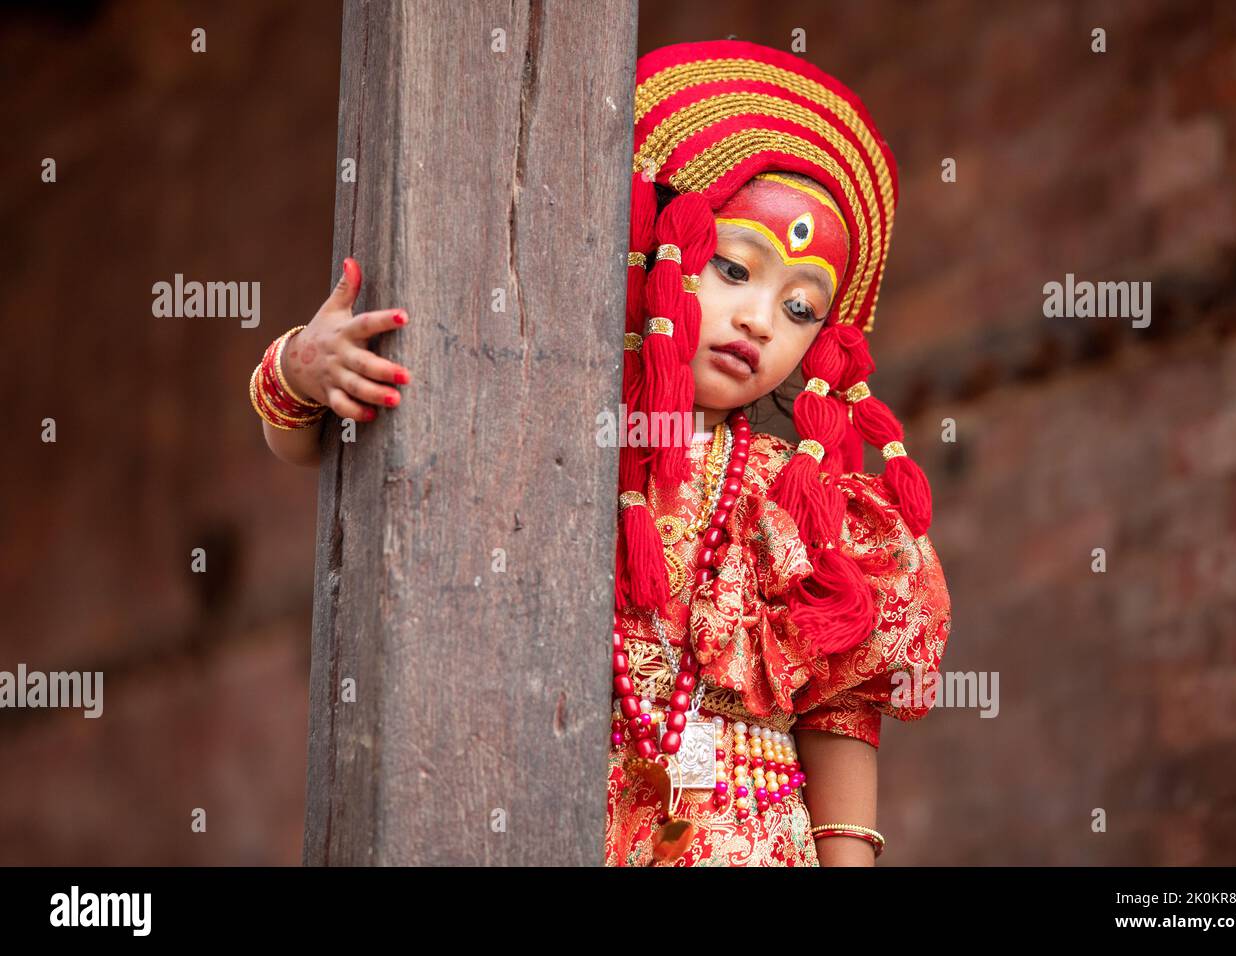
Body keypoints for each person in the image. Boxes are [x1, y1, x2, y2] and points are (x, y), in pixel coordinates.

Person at [248, 38, 952, 867]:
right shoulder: (534, 434)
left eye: (800, 310)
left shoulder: (795, 500)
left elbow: (838, 714)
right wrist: (301, 369)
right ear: (652, 246)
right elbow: (329, 446)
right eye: (733, 268)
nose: (762, 321)